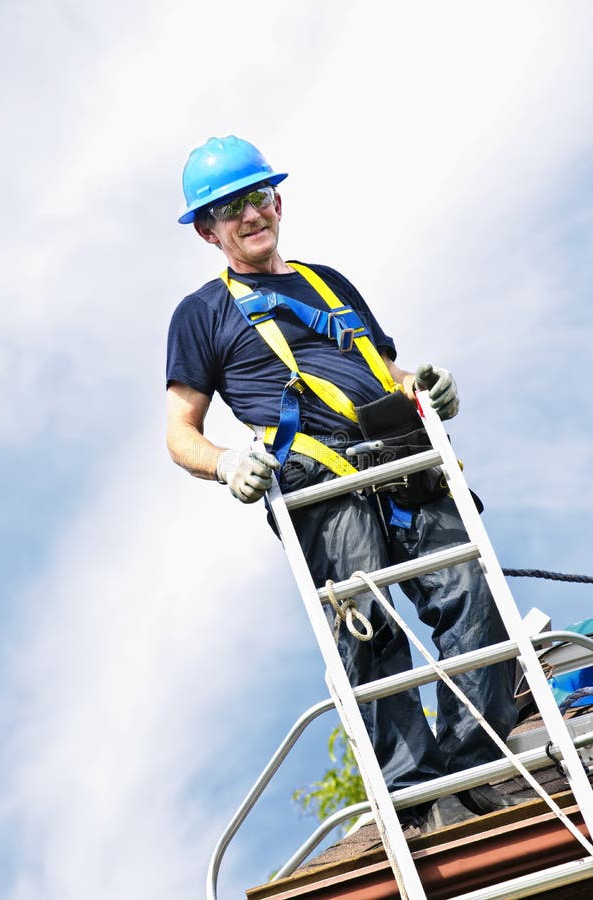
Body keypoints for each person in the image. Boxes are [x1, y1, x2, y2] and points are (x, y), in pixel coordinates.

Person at [166, 135, 519, 832]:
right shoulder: (203, 314)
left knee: (472, 596)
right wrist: (227, 463)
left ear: (278, 200)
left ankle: (474, 773)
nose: (250, 214)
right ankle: (415, 800)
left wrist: (428, 389)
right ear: (209, 231)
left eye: (257, 197)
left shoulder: (329, 283)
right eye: (229, 208)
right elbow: (179, 431)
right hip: (318, 478)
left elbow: (389, 376)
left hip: (402, 456)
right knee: (366, 622)